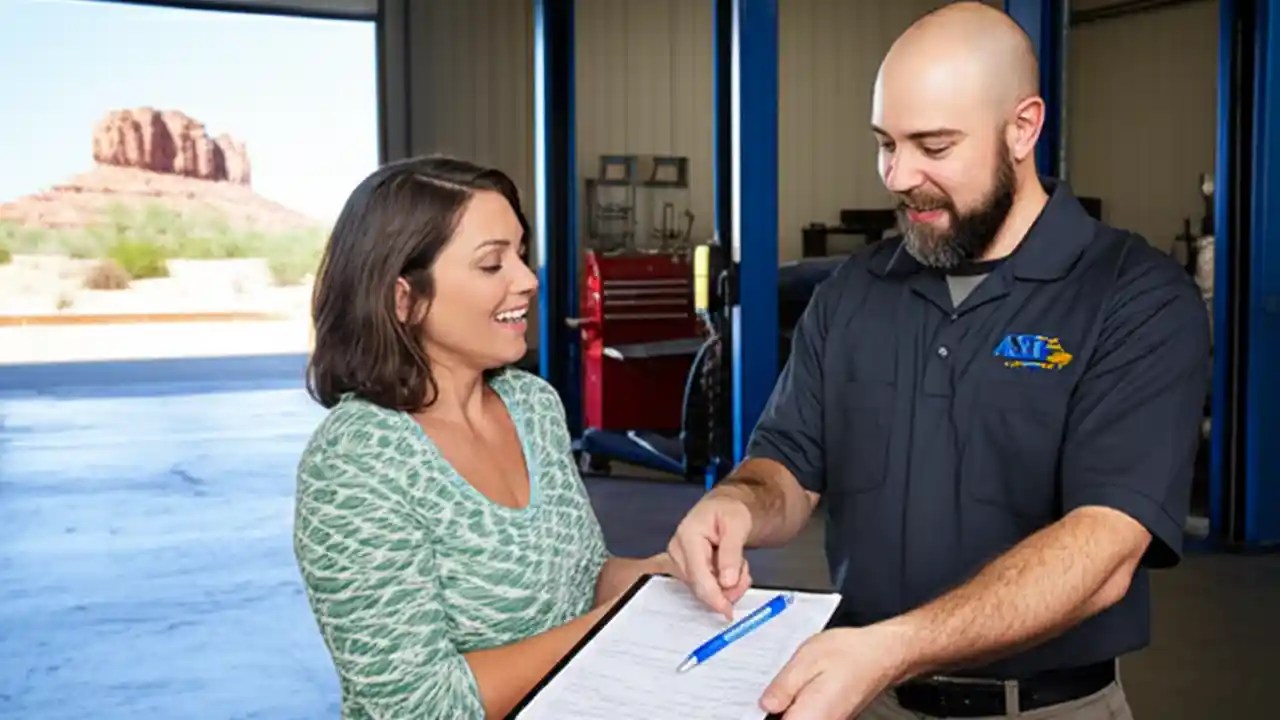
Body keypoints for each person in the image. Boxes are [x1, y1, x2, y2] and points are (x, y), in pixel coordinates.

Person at [665, 3, 1211, 719]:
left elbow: (1102, 553)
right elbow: (788, 465)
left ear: (1023, 128)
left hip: (1043, 708)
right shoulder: (854, 293)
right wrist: (738, 503)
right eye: (885, 143)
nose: (897, 175)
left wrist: (893, 646)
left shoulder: (1133, 298)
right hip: (866, 698)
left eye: (934, 145)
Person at [293, 155, 672, 719]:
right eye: (493, 264)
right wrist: (615, 626)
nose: (528, 280)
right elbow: (420, 707)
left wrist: (662, 576)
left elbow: (585, 577)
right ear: (405, 299)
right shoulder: (355, 463)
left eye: (520, 253)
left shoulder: (531, 405)